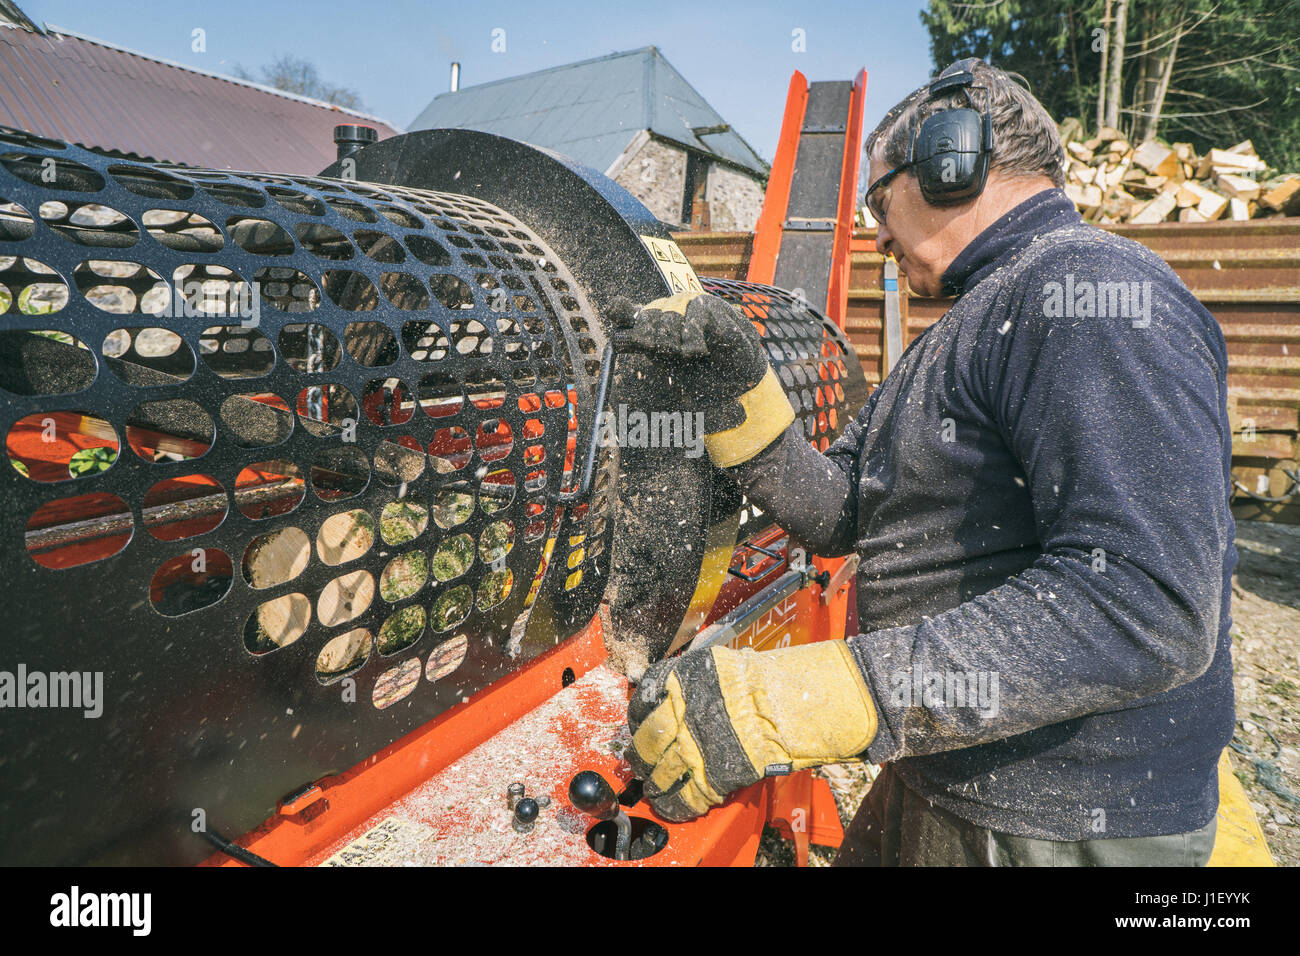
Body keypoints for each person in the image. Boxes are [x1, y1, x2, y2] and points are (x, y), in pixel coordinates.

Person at [611, 59, 1235, 866]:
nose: (873, 232)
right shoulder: (972, 325)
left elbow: (1146, 601)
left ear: (952, 163)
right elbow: (844, 510)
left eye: (879, 201)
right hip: (950, 769)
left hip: (1060, 819)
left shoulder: (1086, 291)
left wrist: (816, 697)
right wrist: (742, 396)